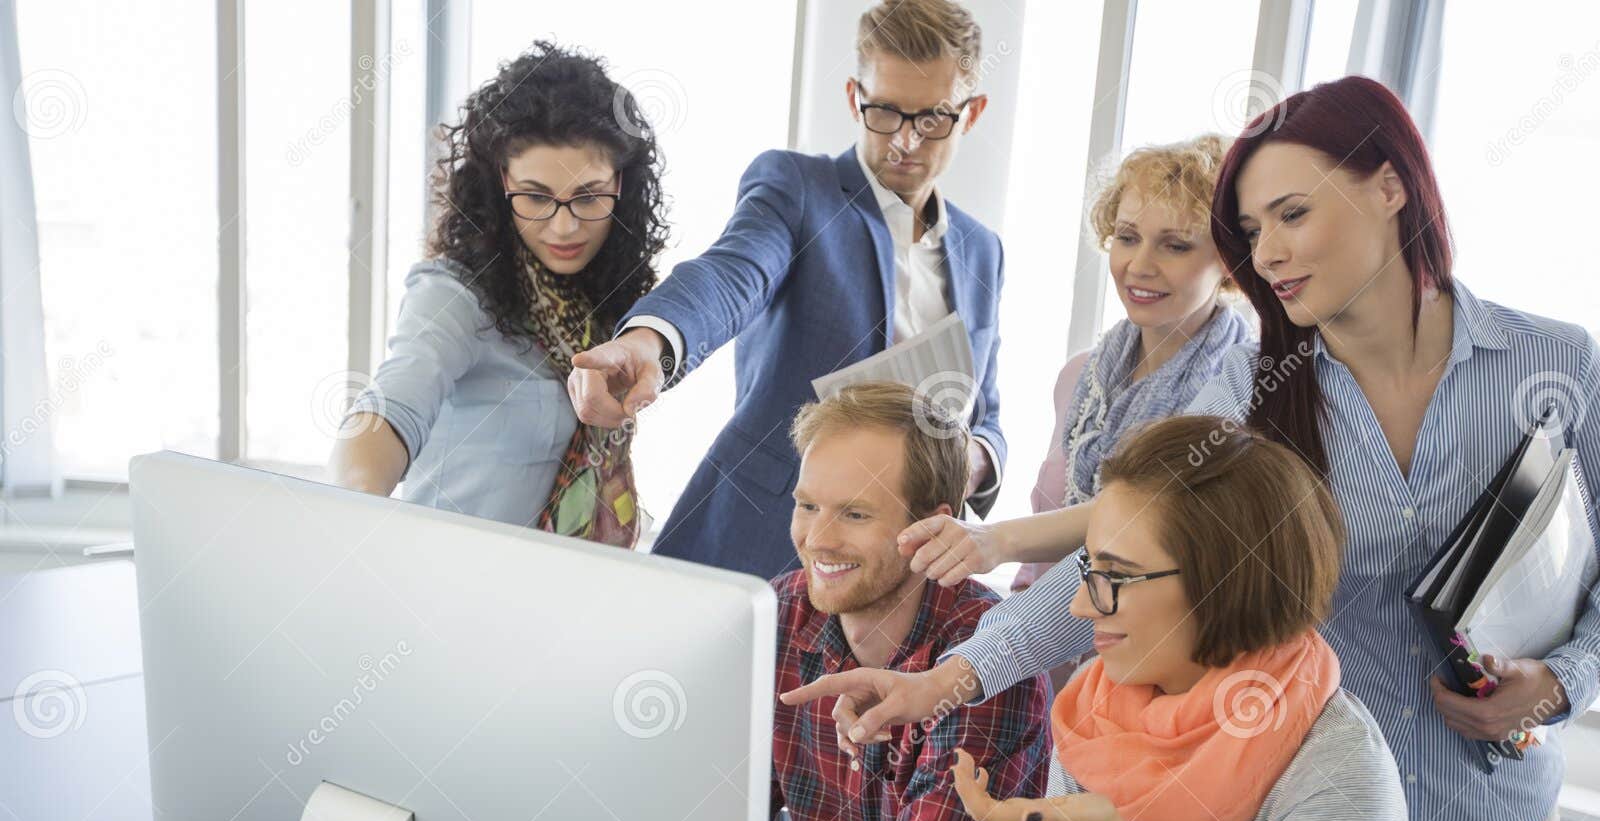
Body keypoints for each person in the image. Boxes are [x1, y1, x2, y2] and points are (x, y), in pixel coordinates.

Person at [789, 75, 1600, 821]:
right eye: (1253, 232)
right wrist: (949, 677)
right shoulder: (1255, 389)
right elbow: (1114, 562)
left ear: (1389, 185)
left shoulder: (1556, 362)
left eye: (1293, 214)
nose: (1272, 253)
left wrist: (1557, 685)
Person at [947, 415, 1411, 821]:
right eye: (1088, 566)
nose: (1081, 606)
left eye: (1113, 575)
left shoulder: (1337, 774)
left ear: (1224, 582)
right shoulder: (1096, 707)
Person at [563, 0, 1010, 579]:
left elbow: (988, 412)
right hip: (766, 544)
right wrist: (652, 342)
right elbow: (732, 274)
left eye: (931, 119)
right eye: (885, 112)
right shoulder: (799, 190)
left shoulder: (983, 250)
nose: (904, 141)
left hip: (904, 572)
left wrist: (968, 462)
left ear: (970, 114)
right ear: (854, 97)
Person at [768, 382, 1049, 821]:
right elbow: (705, 810)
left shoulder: (985, 666)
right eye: (808, 505)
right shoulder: (781, 612)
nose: (817, 539)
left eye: (856, 513)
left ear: (933, 530)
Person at [330, 41, 668, 539]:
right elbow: (394, 402)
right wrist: (352, 509)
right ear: (499, 183)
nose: (565, 227)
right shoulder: (456, 293)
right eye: (535, 197)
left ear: (622, 186)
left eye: (588, 196)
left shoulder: (608, 306)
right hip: (447, 591)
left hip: (564, 598)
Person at [1016, 134, 1252, 595]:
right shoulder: (1079, 377)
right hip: (1042, 647)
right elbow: (1042, 547)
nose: (1139, 265)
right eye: (1127, 238)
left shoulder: (1241, 394)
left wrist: (993, 541)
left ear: (1227, 261)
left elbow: (1142, 521)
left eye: (1175, 245)